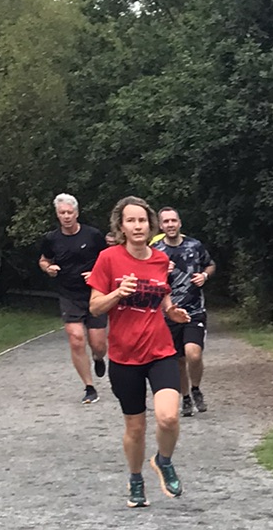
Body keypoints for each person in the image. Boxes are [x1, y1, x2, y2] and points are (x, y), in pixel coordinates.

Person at [86, 196, 192, 509]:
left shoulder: (160, 260)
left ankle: (164, 459)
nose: (137, 226)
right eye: (131, 221)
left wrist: (172, 312)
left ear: (150, 225)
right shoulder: (108, 259)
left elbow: (163, 297)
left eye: (142, 220)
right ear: (121, 226)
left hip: (160, 350)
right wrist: (118, 293)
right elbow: (94, 306)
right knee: (135, 427)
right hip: (124, 356)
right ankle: (135, 478)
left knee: (169, 417)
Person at [37, 194, 108, 403]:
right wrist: (48, 269)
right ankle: (89, 387)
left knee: (98, 343)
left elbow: (109, 260)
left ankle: (98, 357)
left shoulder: (93, 235)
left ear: (76, 213)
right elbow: (43, 260)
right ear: (57, 215)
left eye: (69, 212)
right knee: (76, 339)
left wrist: (96, 273)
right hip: (69, 293)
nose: (66, 216)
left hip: (95, 293)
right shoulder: (51, 239)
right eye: (62, 213)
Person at [156, 207, 216, 417]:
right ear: (161, 226)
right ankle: (186, 397)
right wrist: (162, 271)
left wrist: (204, 276)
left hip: (194, 310)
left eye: (174, 221)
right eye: (166, 222)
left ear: (179, 223)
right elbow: (148, 279)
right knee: (178, 360)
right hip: (169, 312)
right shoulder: (156, 250)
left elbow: (210, 265)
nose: (170, 225)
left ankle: (196, 388)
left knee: (193, 353)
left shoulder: (194, 245)